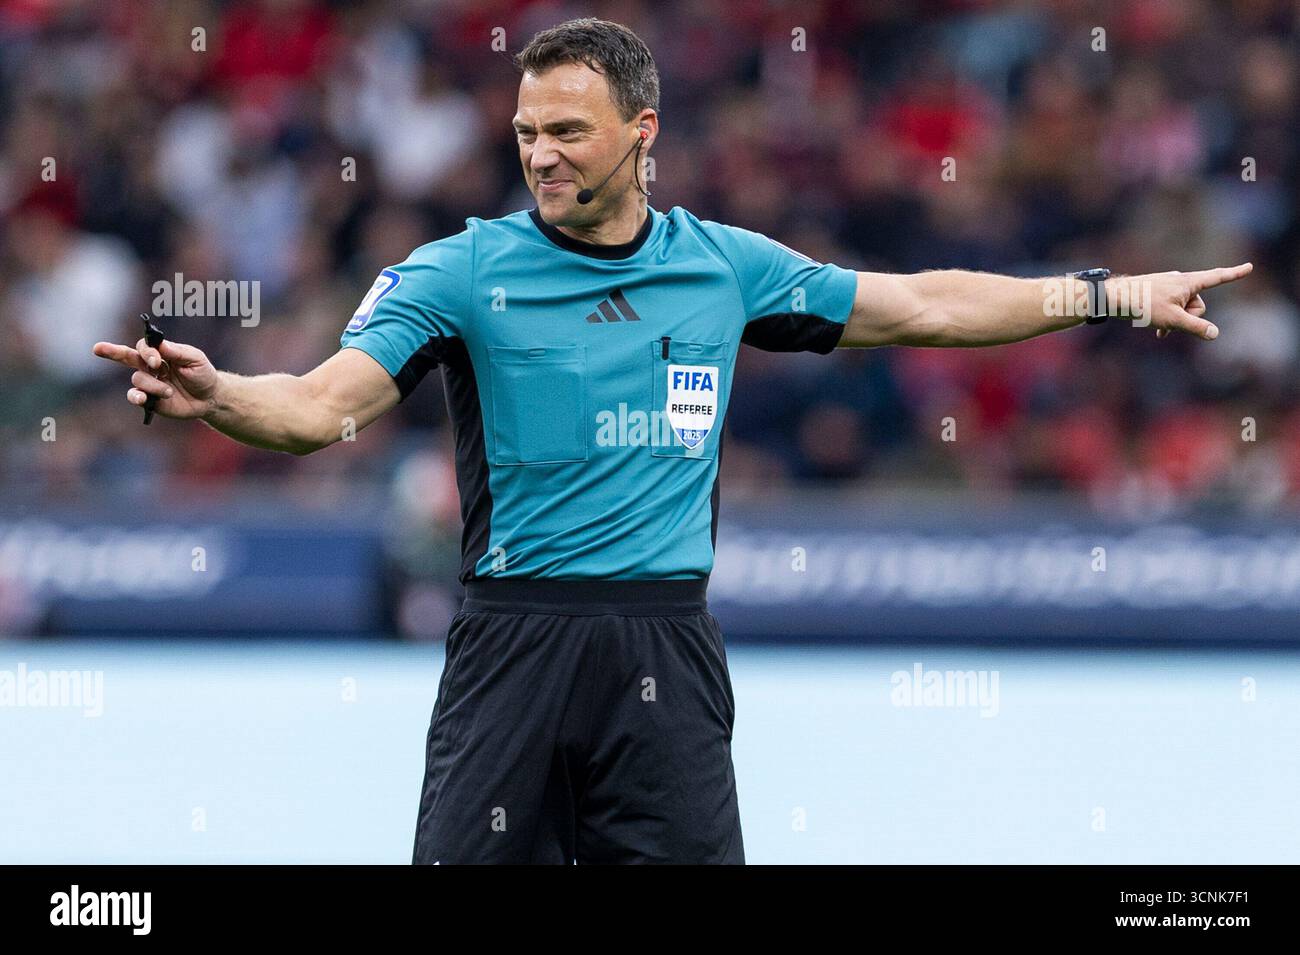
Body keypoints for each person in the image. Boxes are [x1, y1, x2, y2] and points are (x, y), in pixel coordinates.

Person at [92, 17, 1252, 864]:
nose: (541, 155)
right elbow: (316, 407)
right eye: (526, 132)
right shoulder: (460, 271)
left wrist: (1107, 293)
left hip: (666, 650)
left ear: (642, 130)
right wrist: (224, 393)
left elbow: (926, 305)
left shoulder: (724, 265)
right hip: (515, 648)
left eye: (569, 131)